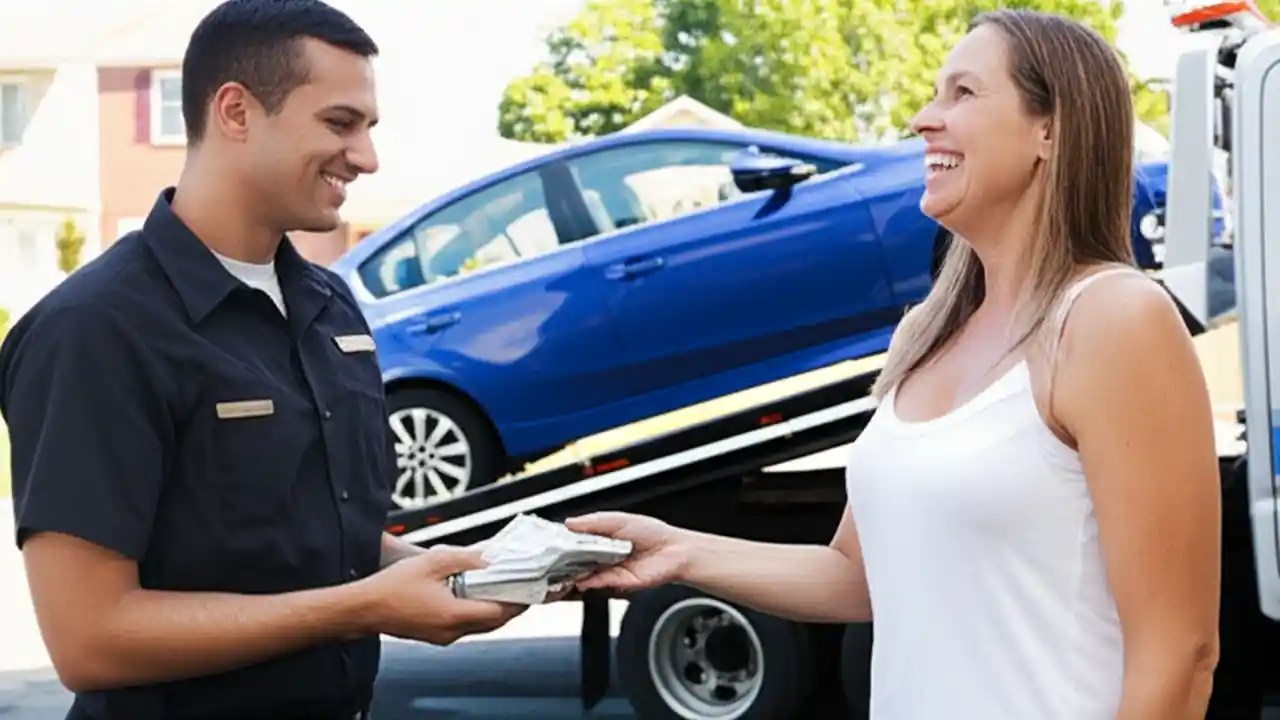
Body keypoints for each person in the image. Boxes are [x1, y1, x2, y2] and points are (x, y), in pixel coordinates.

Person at [567, 10, 1222, 719]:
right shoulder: (927, 332)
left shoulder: (1114, 320)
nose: (921, 120)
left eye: (962, 94)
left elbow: (1181, 656)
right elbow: (859, 573)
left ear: (1051, 130)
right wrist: (678, 554)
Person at [0, 2, 523, 718]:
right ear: (237, 113)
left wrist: (462, 575)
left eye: (369, 128)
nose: (367, 157)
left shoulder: (331, 306)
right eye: (341, 124)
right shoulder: (94, 330)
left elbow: (318, 539)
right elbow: (89, 640)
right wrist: (361, 608)